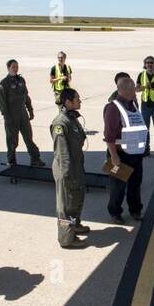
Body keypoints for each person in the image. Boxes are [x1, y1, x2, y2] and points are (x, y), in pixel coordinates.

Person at [104, 75, 148, 223]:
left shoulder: (132, 105)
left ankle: (135, 210)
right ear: (125, 90)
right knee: (118, 188)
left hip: (135, 155)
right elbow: (109, 136)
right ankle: (115, 212)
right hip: (120, 155)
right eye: (132, 89)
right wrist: (114, 156)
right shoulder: (113, 108)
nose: (135, 91)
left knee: (135, 185)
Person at [51, 88, 90, 248]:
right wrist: (68, 175)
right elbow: (62, 153)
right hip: (67, 170)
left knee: (77, 198)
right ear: (68, 102)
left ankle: (75, 226)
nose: (80, 101)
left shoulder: (72, 118)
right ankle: (67, 239)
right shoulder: (60, 123)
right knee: (66, 205)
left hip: (76, 166)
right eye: (77, 98)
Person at [0, 59, 44, 169]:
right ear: (8, 68)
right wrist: (7, 117)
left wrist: (30, 110)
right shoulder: (4, 83)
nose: (15, 68)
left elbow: (26, 97)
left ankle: (35, 158)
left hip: (22, 114)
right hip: (11, 116)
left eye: (16, 66)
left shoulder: (21, 80)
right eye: (13, 67)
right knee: (12, 140)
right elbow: (2, 102)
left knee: (28, 137)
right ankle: (11, 161)